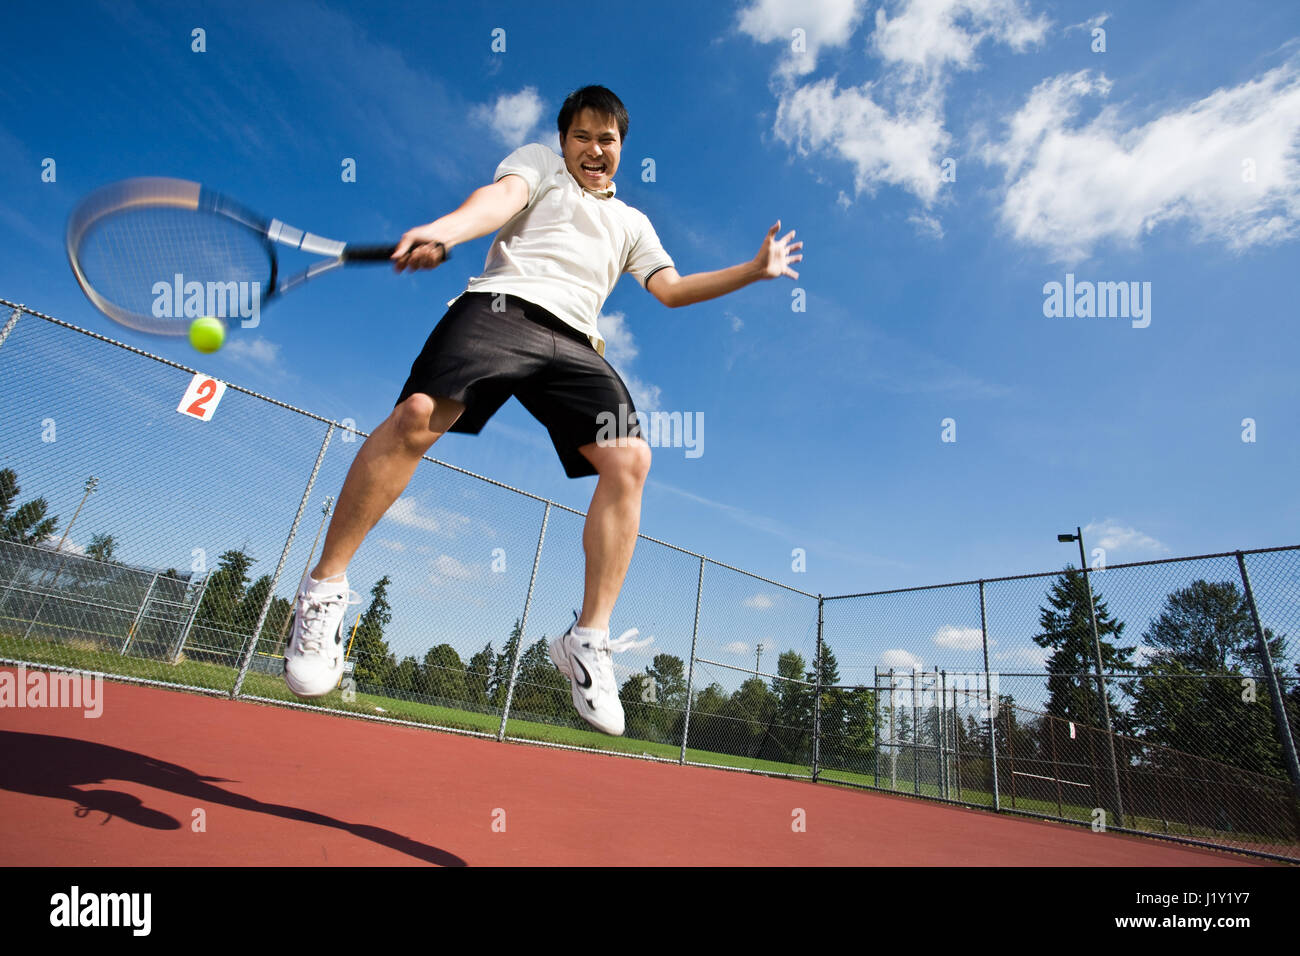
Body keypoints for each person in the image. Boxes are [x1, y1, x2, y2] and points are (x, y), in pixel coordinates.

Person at [283, 85, 802, 736]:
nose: (593, 148)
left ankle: (586, 638)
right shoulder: (538, 165)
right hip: (501, 309)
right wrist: (441, 232)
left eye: (606, 139)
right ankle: (324, 589)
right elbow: (495, 202)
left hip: (576, 343)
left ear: (621, 149)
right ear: (563, 142)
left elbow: (670, 291)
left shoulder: (634, 224)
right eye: (581, 136)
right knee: (417, 414)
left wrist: (753, 270)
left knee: (630, 457)